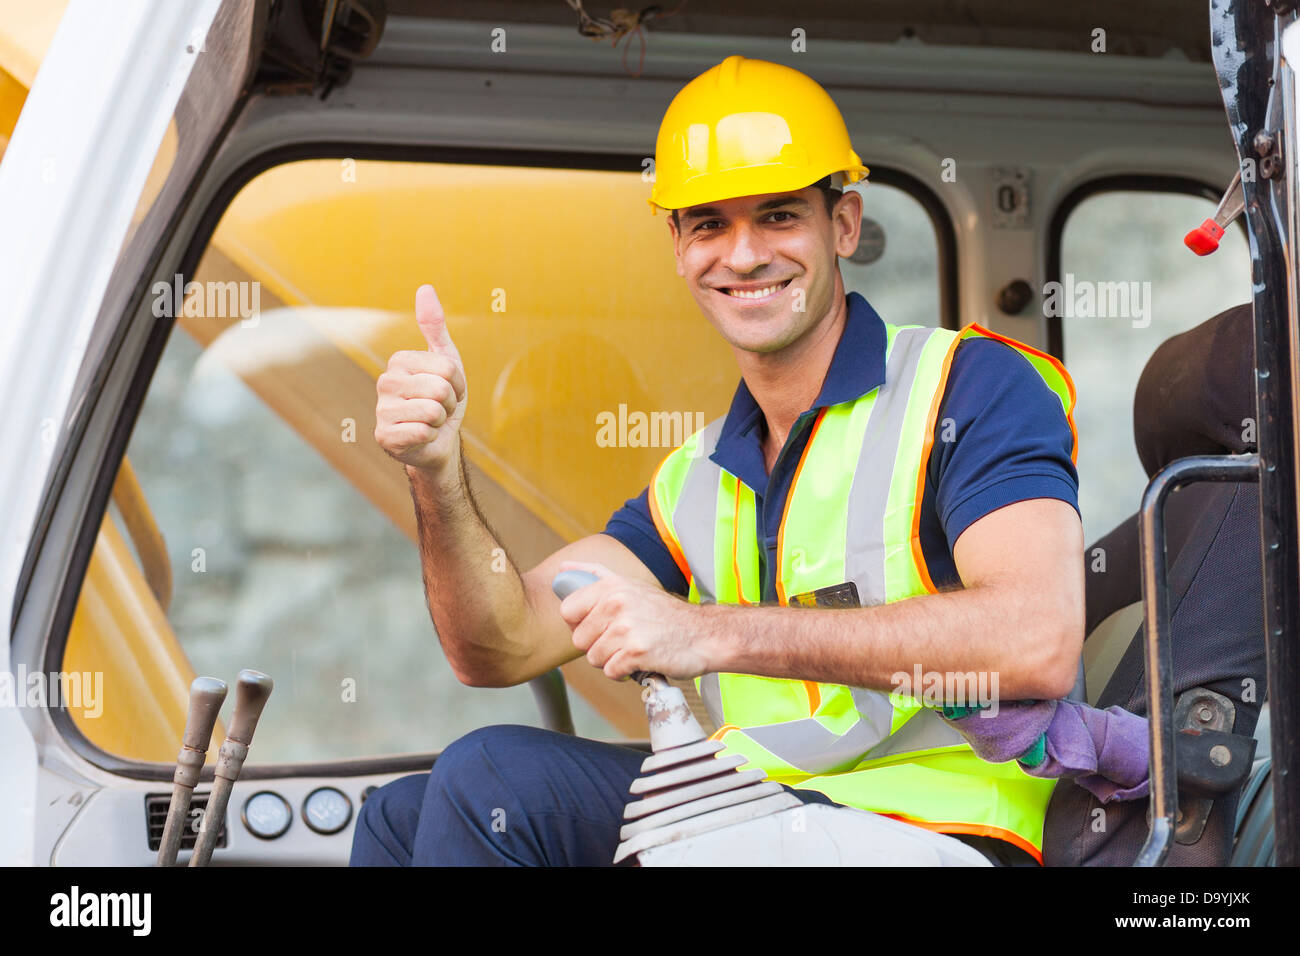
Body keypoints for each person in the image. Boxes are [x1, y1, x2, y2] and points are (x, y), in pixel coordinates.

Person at [351, 55, 1084, 867]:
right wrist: (435, 470)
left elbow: (1035, 637)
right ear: (676, 244)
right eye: (709, 224)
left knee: (492, 775)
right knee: (400, 814)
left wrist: (706, 633)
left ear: (843, 225)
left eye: (777, 217)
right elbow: (498, 646)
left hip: (936, 831)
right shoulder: (696, 478)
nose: (741, 256)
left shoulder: (968, 388)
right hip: (759, 812)